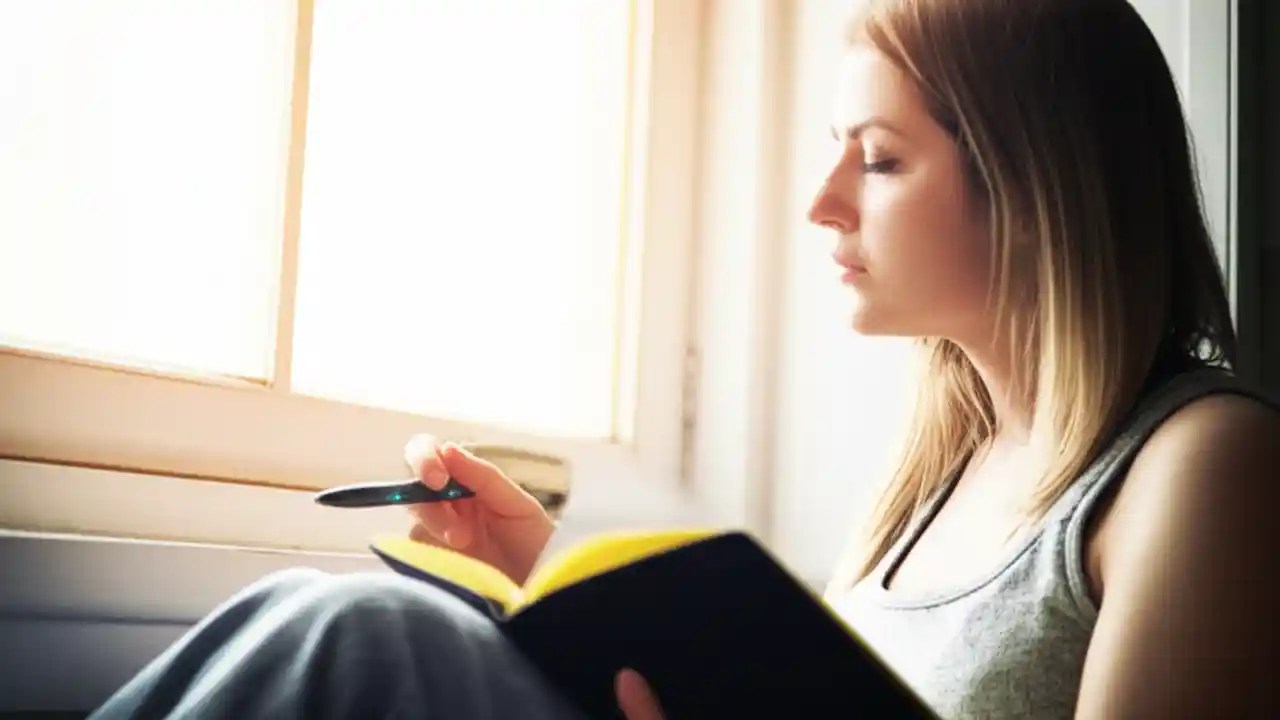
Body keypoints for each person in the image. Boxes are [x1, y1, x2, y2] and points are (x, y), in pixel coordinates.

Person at [91, 0, 1279, 717]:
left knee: (360, 640)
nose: (820, 204)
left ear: (1031, 185)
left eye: (876, 158)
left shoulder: (1200, 464)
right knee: (312, 612)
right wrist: (553, 578)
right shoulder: (936, 474)